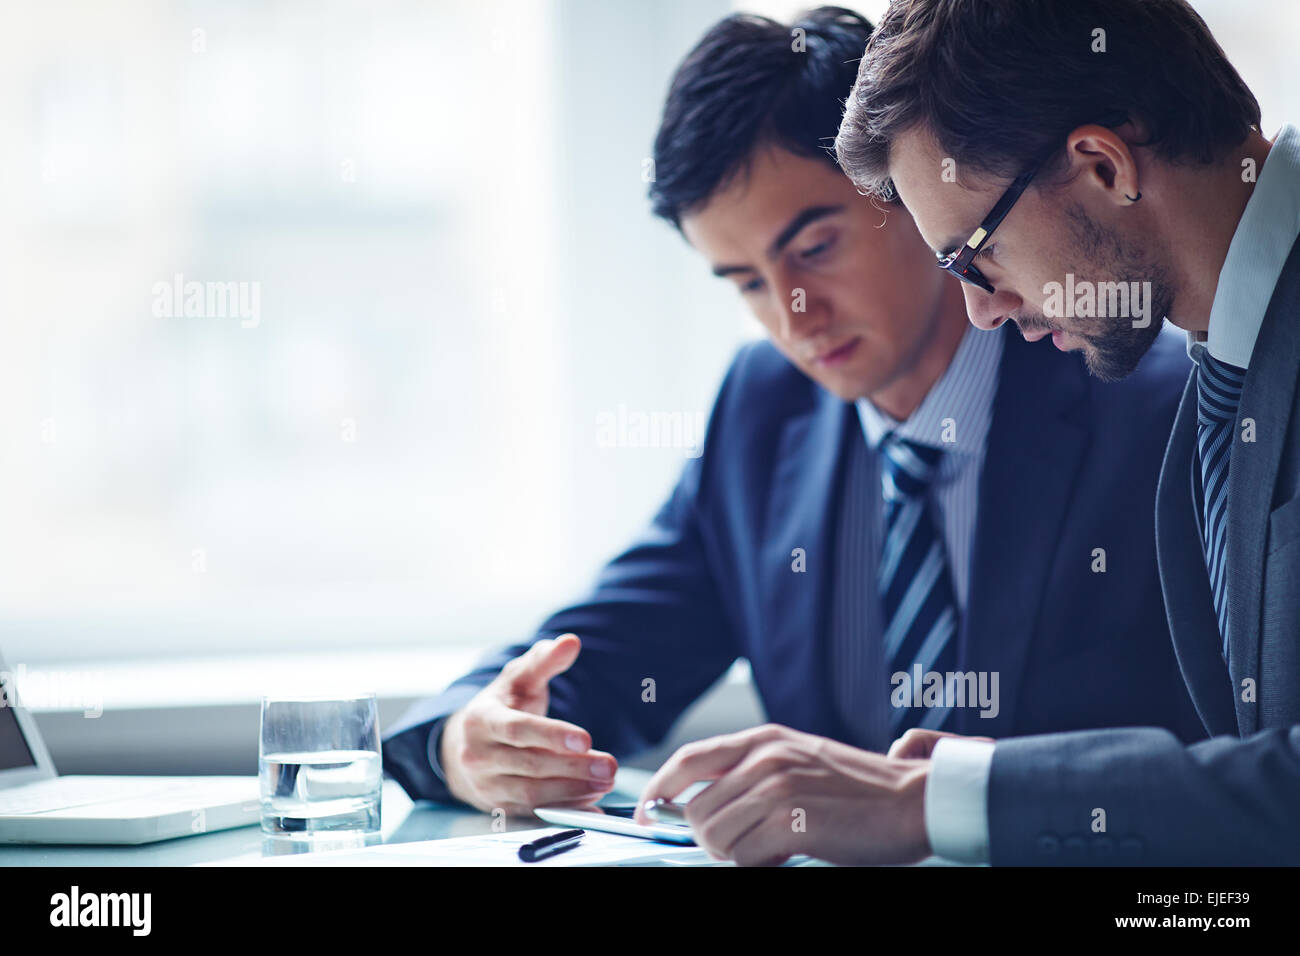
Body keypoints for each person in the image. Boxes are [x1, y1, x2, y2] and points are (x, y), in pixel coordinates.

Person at [382, 7, 1201, 836]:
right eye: (745, 281)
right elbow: (603, 657)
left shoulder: (1151, 400)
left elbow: (1243, 775)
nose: (792, 316)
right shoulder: (762, 412)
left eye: (812, 249)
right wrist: (465, 739)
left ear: (911, 192)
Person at [632, 0, 1300, 867]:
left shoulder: (1175, 388)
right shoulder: (1237, 360)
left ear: (1102, 165)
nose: (981, 308)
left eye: (973, 254)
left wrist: (934, 798)